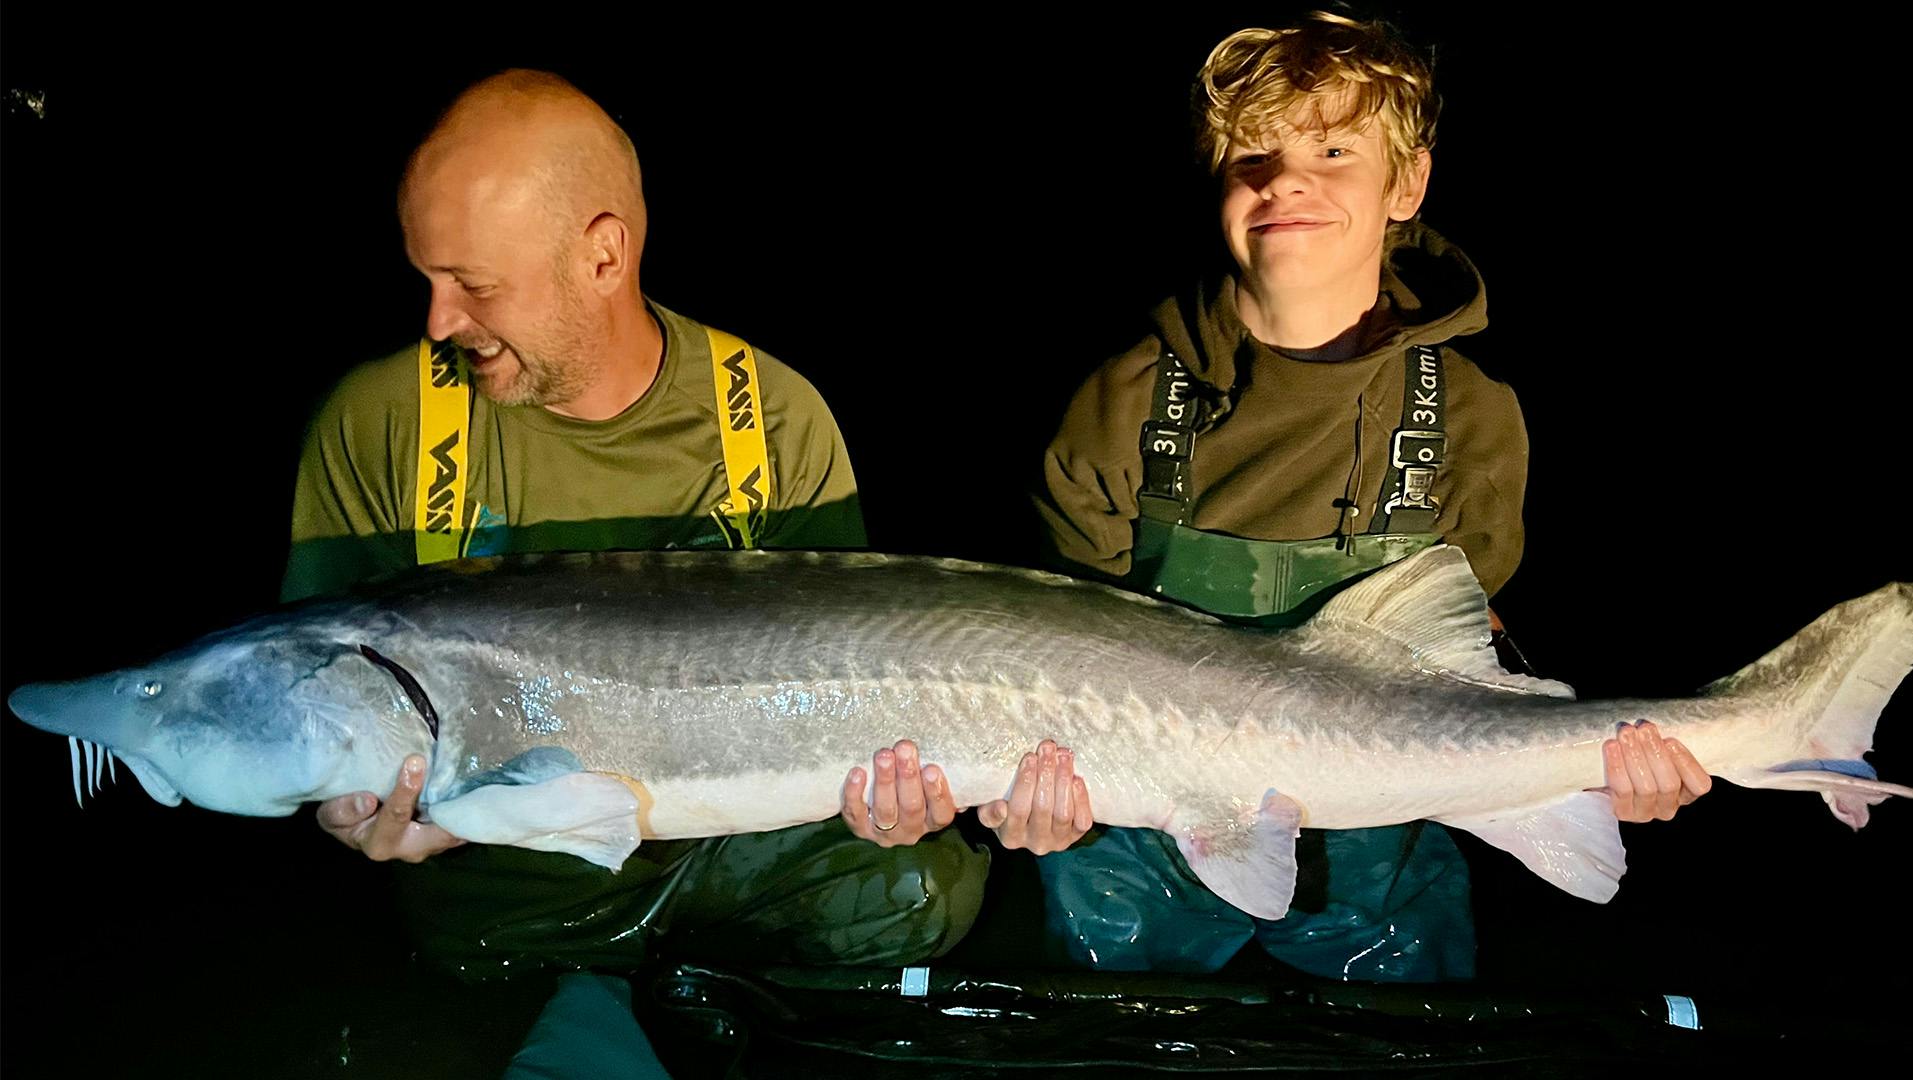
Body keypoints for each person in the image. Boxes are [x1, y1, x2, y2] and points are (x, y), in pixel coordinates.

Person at [285, 69, 1085, 981]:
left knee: (922, 886)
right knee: (461, 961)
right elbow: (315, 687)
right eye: (425, 276)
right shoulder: (379, 422)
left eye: (474, 284)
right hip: (513, 861)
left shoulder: (772, 416)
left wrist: (894, 797)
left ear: (603, 256)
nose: (438, 320)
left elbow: (869, 685)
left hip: (747, 840)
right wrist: (352, 809)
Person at [1033, 11, 1709, 980]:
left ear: (1409, 184)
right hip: (1149, 834)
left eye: (1337, 148)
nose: (1285, 180)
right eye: (1252, 152)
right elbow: (1052, 654)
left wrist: (1589, 766)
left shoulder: (1469, 415)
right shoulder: (1126, 400)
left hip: (1375, 845)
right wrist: (1039, 793)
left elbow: (1462, 654)